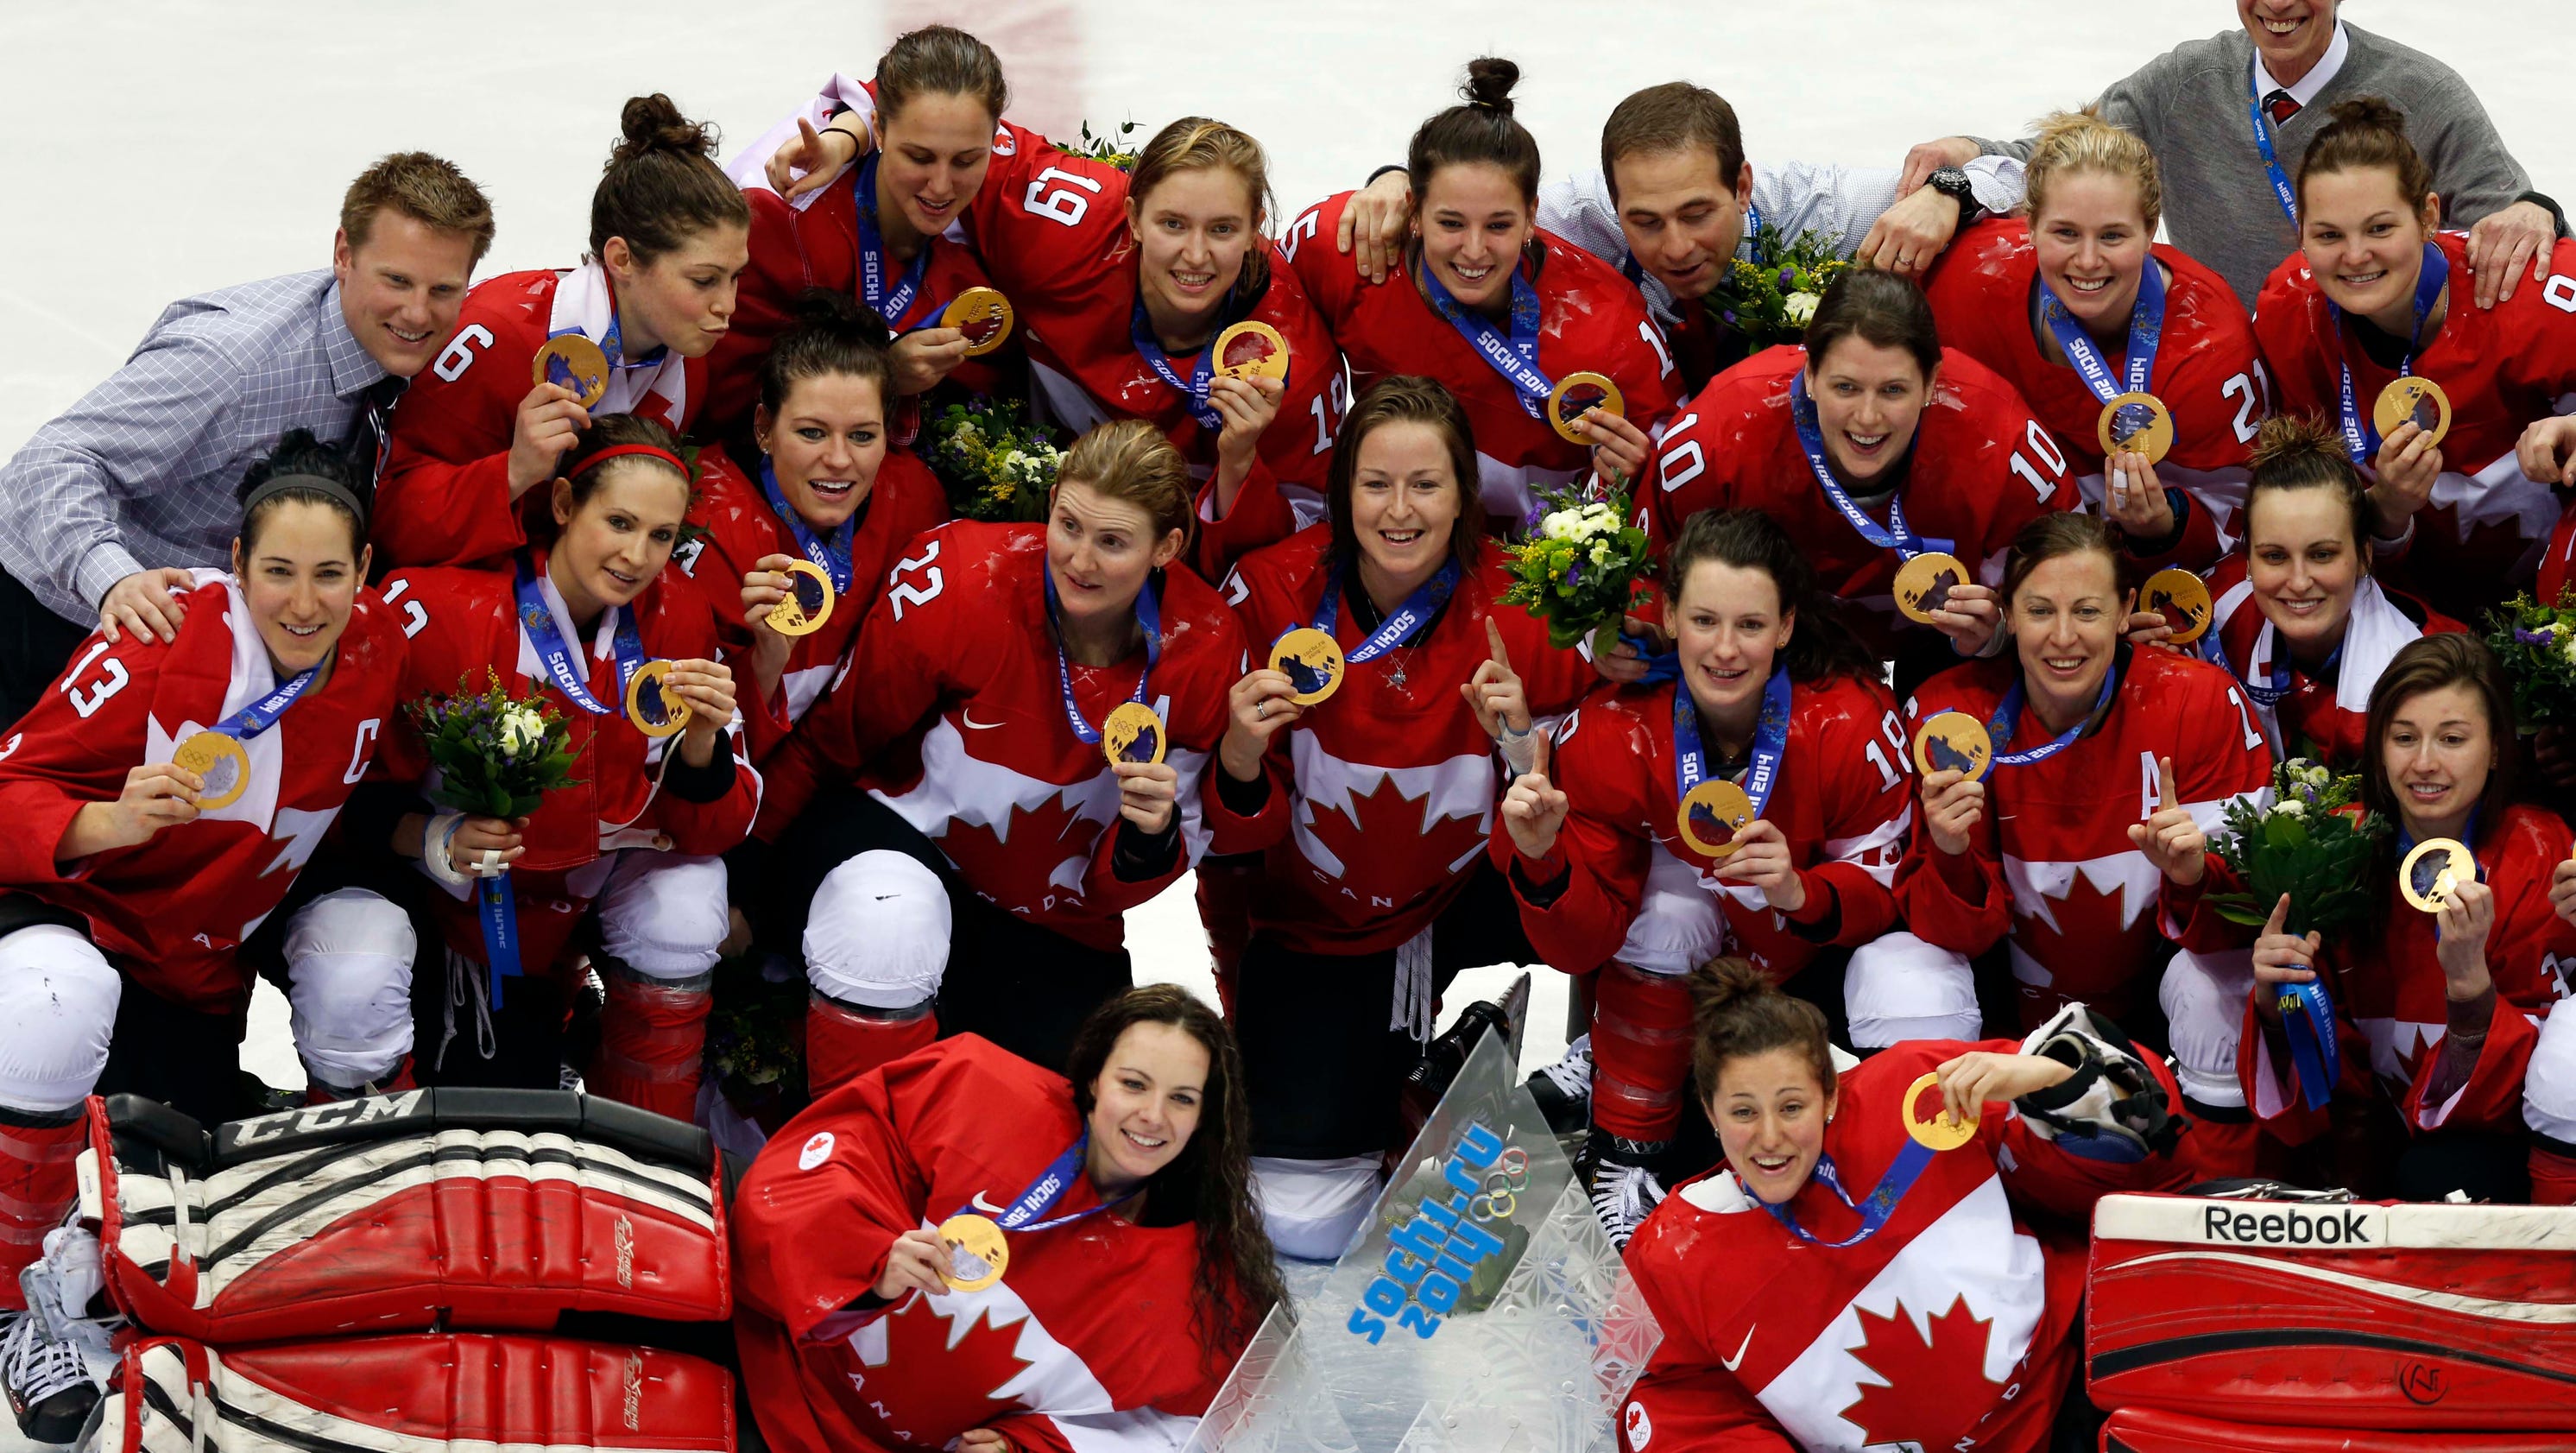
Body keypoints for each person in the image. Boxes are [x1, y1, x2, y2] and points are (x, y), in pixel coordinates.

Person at [0, 431, 414, 1419]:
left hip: (208, 963)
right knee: (54, 1007)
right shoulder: (162, 635)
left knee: (365, 957)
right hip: (88, 916)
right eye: (277, 572)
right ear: (236, 564)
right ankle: (17, 1310)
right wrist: (108, 822)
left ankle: (350, 1244)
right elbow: (11, 781)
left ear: (365, 572)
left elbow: (374, 798)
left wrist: (445, 840)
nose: (303, 604)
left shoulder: (381, 645)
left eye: (328, 575)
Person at [1498, 507, 1977, 1245]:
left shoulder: (1851, 721)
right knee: (1667, 913)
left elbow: (1889, 900)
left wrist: (1799, 891)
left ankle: (1921, 1170)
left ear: (1786, 626)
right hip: (1702, 953)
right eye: (1705, 621)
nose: (1725, 650)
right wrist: (1541, 856)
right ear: (1668, 617)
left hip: (1819, 948)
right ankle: (1627, 1158)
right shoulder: (1614, 725)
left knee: (1916, 980)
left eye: (1751, 626)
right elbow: (1579, 945)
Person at [1203, 376, 1594, 1258]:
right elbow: (1219, 853)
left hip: (1477, 889)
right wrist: (1233, 758)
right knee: (1297, 1219)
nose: (1399, 509)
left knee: (1665, 889)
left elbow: (1618, 792)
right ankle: (1424, 1072)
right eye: (1375, 484)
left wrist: (1528, 752)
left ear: (1464, 496)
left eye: (1425, 484)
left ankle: (1618, 1093)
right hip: (1328, 928)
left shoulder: (1528, 604)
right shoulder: (1271, 593)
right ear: (1342, 493)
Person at [743, 420, 1243, 1093]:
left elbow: (1125, 886)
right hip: (895, 842)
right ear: (1054, 499)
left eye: (1114, 542)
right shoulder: (961, 578)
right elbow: (833, 740)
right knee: (887, 920)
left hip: (1049, 919)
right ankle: (847, 1169)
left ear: (1169, 547)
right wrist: (739, 884)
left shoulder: (1205, 646)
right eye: (1069, 525)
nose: (1081, 560)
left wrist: (1149, 836)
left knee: (1074, 1108)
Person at [754, 90, 1342, 578]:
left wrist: (1239, 463)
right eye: (1171, 223)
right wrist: (847, 138)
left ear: (1255, 230)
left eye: (1222, 229)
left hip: (1151, 560)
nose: (1196, 255)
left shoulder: (1292, 364)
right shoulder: (1069, 222)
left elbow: (1296, 547)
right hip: (1010, 469)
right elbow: (935, 105)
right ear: (1133, 216)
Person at [1618, 958, 2189, 1453]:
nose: (1770, 1137)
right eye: (1743, 1112)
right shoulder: (1669, 1255)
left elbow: (2156, 1138)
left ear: (1830, 1092)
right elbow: (1668, 1397)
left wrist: (2049, 1075)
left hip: (2077, 1395)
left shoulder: (1914, 1089)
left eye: (1792, 1106)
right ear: (1709, 1112)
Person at [0, 153, 490, 724]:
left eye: (443, 289)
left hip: (195, 648)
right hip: (52, 630)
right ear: (343, 255)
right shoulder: (234, 367)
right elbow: (48, 461)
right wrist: (113, 579)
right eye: (397, 281)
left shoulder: (410, 357)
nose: (417, 312)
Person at [371, 414, 755, 1120]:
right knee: (490, 1121)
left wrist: (702, 742)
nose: (638, 555)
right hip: (466, 915)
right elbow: (341, 799)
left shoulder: (679, 617)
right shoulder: (444, 610)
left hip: (583, 897)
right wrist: (433, 839)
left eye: (662, 536)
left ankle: (644, 1133)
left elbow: (708, 833)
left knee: (687, 904)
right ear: (562, 505)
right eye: (619, 521)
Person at [732, 984, 1284, 1453]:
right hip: (771, 1367)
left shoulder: (1209, 1291)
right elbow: (823, 1157)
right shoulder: (973, 1088)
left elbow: (1199, 1430)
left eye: (1182, 1099)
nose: (1152, 1116)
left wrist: (1032, 1445)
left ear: (1204, 1117)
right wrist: (867, 1261)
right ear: (1094, 1078)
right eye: (1133, 1084)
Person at [2162, 635, 2575, 1203]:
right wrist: (2276, 1000)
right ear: (2379, 745)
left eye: (2453, 739)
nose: (2425, 762)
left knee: (2437, 1176)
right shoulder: (2336, 844)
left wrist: (2469, 987)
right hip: (2352, 1136)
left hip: (2481, 1149)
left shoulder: (2542, 852)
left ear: (2499, 746)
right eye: (2404, 737)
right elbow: (2307, 1042)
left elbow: (2551, 1085)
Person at [1332, 80, 2025, 394]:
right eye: (1647, 222)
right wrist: (1394, 180)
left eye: (1698, 214)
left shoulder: (1825, 209)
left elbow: (2031, 175)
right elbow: (1470, 204)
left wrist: (1952, 192)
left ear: (1744, 185)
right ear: (1612, 200)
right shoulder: (1580, 218)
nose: (1675, 247)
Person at [1900, 0, 2561, 313]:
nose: (2277, 5)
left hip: (2373, 374)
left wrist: (2539, 210)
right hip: (2223, 366)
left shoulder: (2428, 93)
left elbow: (2511, 231)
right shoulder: (2187, 80)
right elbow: (2065, 161)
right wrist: (1960, 170)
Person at [1897, 513, 2274, 1039]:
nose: (2064, 637)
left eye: (2088, 610)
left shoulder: (2199, 701)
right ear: (2007, 614)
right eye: (2040, 610)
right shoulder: (1949, 720)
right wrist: (1949, 854)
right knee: (1898, 977)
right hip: (2001, 1012)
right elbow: (1945, 934)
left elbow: (2249, 919)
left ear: (2125, 611)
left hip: (2164, 1006)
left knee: (2215, 990)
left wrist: (2193, 877)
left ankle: (2204, 1120)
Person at [1284, 60, 1675, 528]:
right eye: (1450, 223)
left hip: (1527, 566)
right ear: (1413, 208)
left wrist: (1627, 482)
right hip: (1387, 532)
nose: (1473, 250)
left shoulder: (1612, 327)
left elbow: (1676, 488)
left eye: (1499, 225)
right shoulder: (1343, 246)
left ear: (1532, 215)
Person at [1637, 269, 2074, 684]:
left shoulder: (2001, 439)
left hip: (1942, 656)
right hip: (1762, 652)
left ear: (1931, 382)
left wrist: (1997, 635)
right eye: (1845, 387)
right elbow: (1650, 574)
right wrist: (1643, 633)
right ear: (1809, 374)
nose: (1868, 417)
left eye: (1893, 390)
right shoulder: (1720, 433)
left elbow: (2072, 592)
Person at [371, 95, 751, 570]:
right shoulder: (495, 337)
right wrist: (510, 473)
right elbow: (386, 521)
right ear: (622, 260)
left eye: (736, 277)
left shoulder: (688, 361)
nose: (727, 306)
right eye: (704, 280)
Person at [2253, 98, 2576, 626]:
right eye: (2329, 234)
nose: (2355, 256)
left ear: (2428, 216)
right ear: (2301, 234)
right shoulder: (2290, 314)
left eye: (2380, 228)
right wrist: (2388, 506)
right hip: (2415, 616)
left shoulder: (2534, 288)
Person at [1923, 111, 2271, 570]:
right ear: (2029, 225)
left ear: (2150, 232)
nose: (2087, 260)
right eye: (2065, 233)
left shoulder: (2212, 347)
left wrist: (2166, 527)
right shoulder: (1966, 280)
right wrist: (1940, 191)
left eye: (2112, 236)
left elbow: (2245, 534)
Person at [706, 24, 1014, 438]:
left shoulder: (997, 229)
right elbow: (722, 408)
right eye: (919, 157)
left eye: (966, 161)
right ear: (878, 130)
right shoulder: (783, 220)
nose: (941, 187)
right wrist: (881, 376)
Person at [681, 290, 949, 765]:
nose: (840, 460)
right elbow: (676, 757)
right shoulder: (696, 523)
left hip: (826, 780)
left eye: (863, 435)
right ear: (764, 426)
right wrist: (765, 662)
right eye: (812, 432)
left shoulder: (915, 500)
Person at [2194, 414, 2463, 768]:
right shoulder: (2212, 614)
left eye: (2322, 555)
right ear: (2247, 561)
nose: (2300, 581)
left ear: (2364, 555)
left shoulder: (2439, 666)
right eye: (2275, 556)